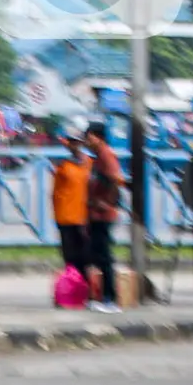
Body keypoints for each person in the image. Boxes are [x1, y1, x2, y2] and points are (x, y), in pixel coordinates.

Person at [84, 121, 128, 309]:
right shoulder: (97, 157)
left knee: (104, 257)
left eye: (89, 138)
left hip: (103, 214)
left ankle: (111, 299)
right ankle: (100, 296)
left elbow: (116, 181)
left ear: (98, 137)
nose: (87, 142)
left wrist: (106, 202)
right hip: (95, 214)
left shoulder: (106, 156)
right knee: (95, 255)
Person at [51, 129, 99, 301]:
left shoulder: (90, 164)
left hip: (84, 217)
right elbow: (55, 194)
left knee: (87, 256)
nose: (75, 146)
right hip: (66, 217)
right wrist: (57, 216)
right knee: (70, 257)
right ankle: (73, 291)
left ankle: (87, 292)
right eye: (72, 142)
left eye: (77, 142)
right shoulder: (63, 167)